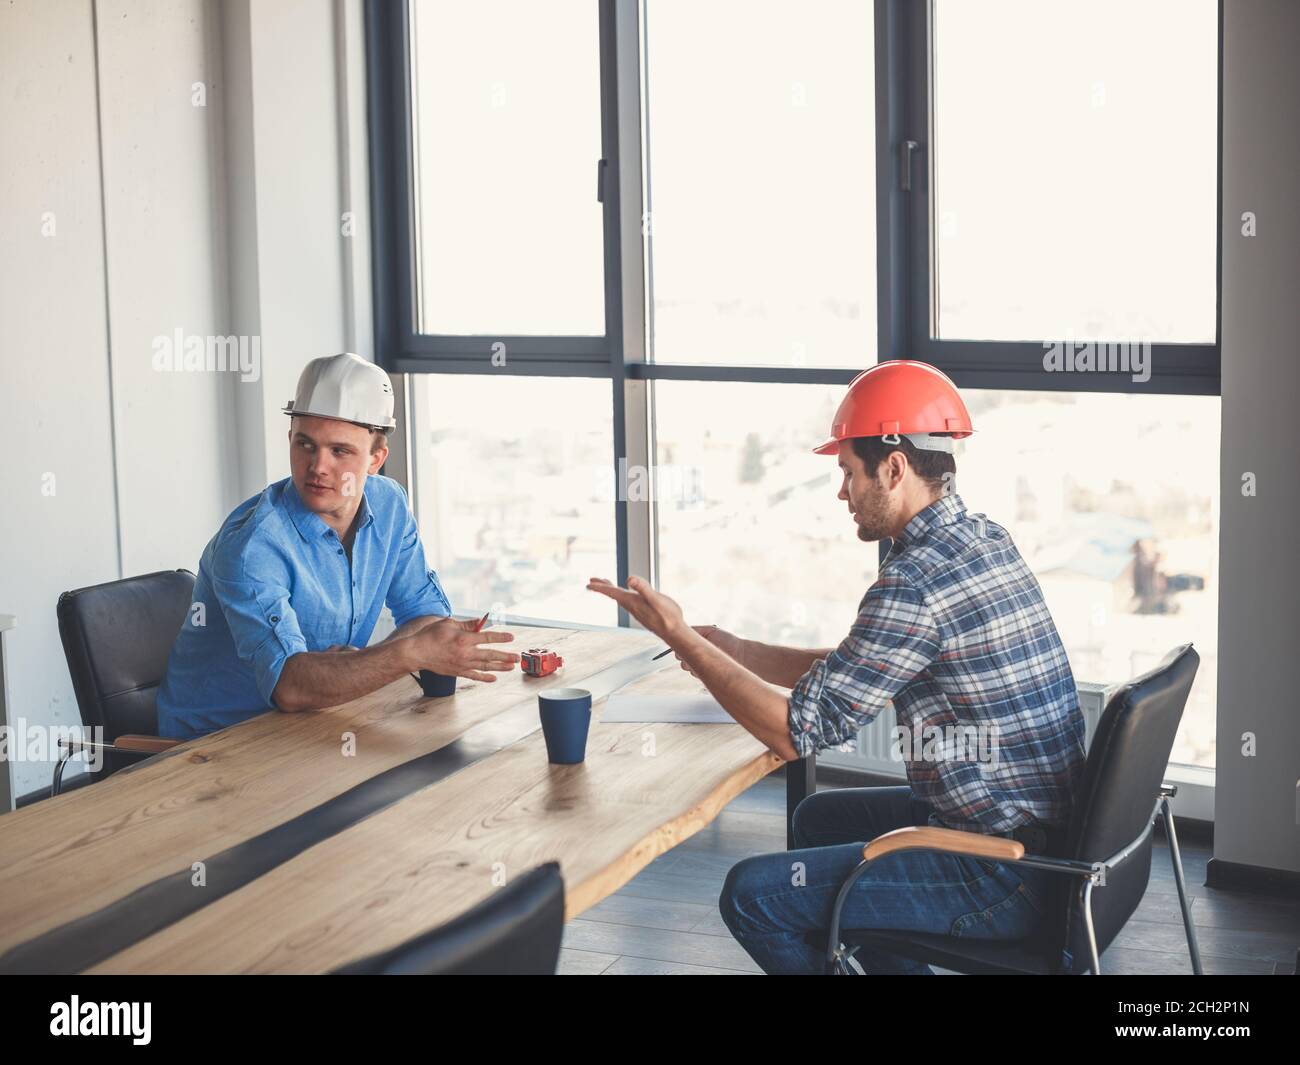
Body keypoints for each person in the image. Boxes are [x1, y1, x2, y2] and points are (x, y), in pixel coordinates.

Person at [587, 360, 1086, 975]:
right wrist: (736, 650)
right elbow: (865, 666)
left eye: (849, 472)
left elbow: (793, 733)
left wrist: (683, 640)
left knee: (752, 897)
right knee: (820, 819)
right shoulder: (982, 539)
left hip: (1004, 874)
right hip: (1046, 846)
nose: (841, 492)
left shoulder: (913, 581)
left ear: (895, 467)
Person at [157, 352, 518, 739]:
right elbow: (290, 686)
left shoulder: (389, 504)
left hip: (314, 724)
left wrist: (365, 664)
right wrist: (407, 653)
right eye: (306, 444)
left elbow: (425, 613)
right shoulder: (252, 547)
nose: (318, 467)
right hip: (212, 748)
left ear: (376, 459)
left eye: (340, 451)